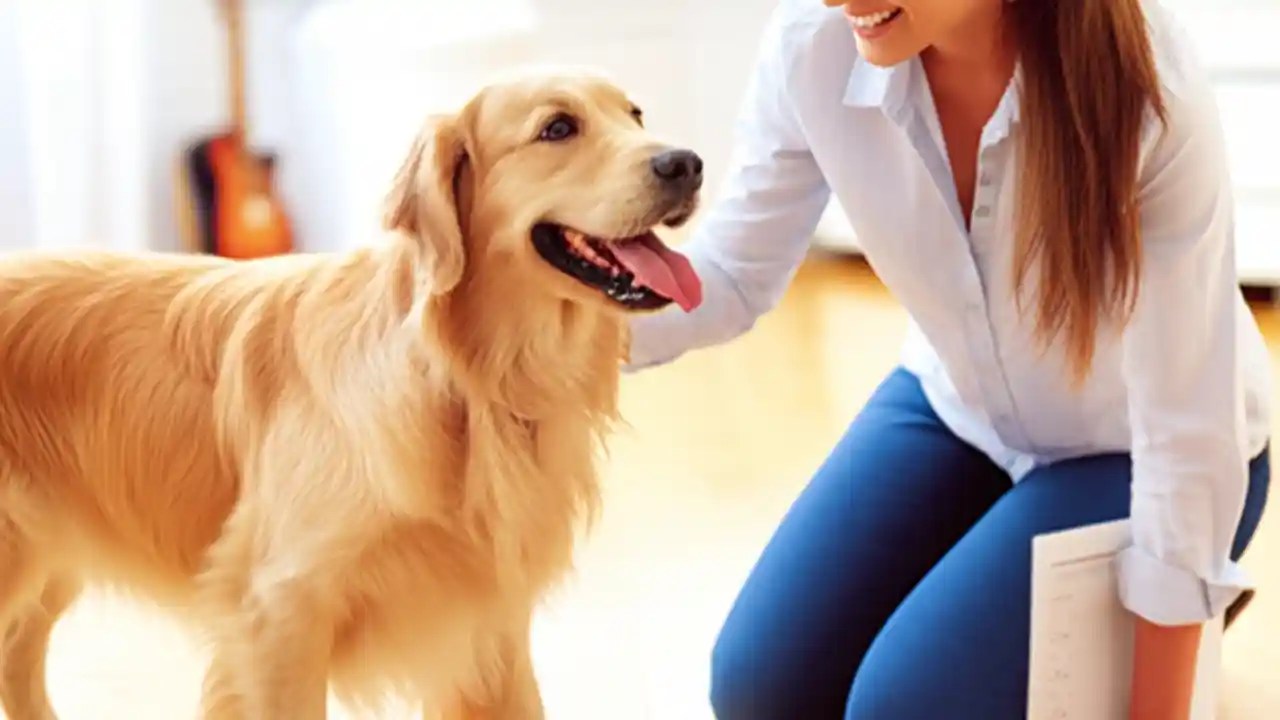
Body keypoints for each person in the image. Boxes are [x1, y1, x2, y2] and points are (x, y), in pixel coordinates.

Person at [624, 0, 1273, 718]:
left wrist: (1160, 691)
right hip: (960, 412)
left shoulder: (1151, 82)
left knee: (905, 707)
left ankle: (1147, 623)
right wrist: (521, 344)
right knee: (760, 689)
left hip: (1137, 450)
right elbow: (731, 274)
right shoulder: (814, 45)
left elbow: (1187, 431)